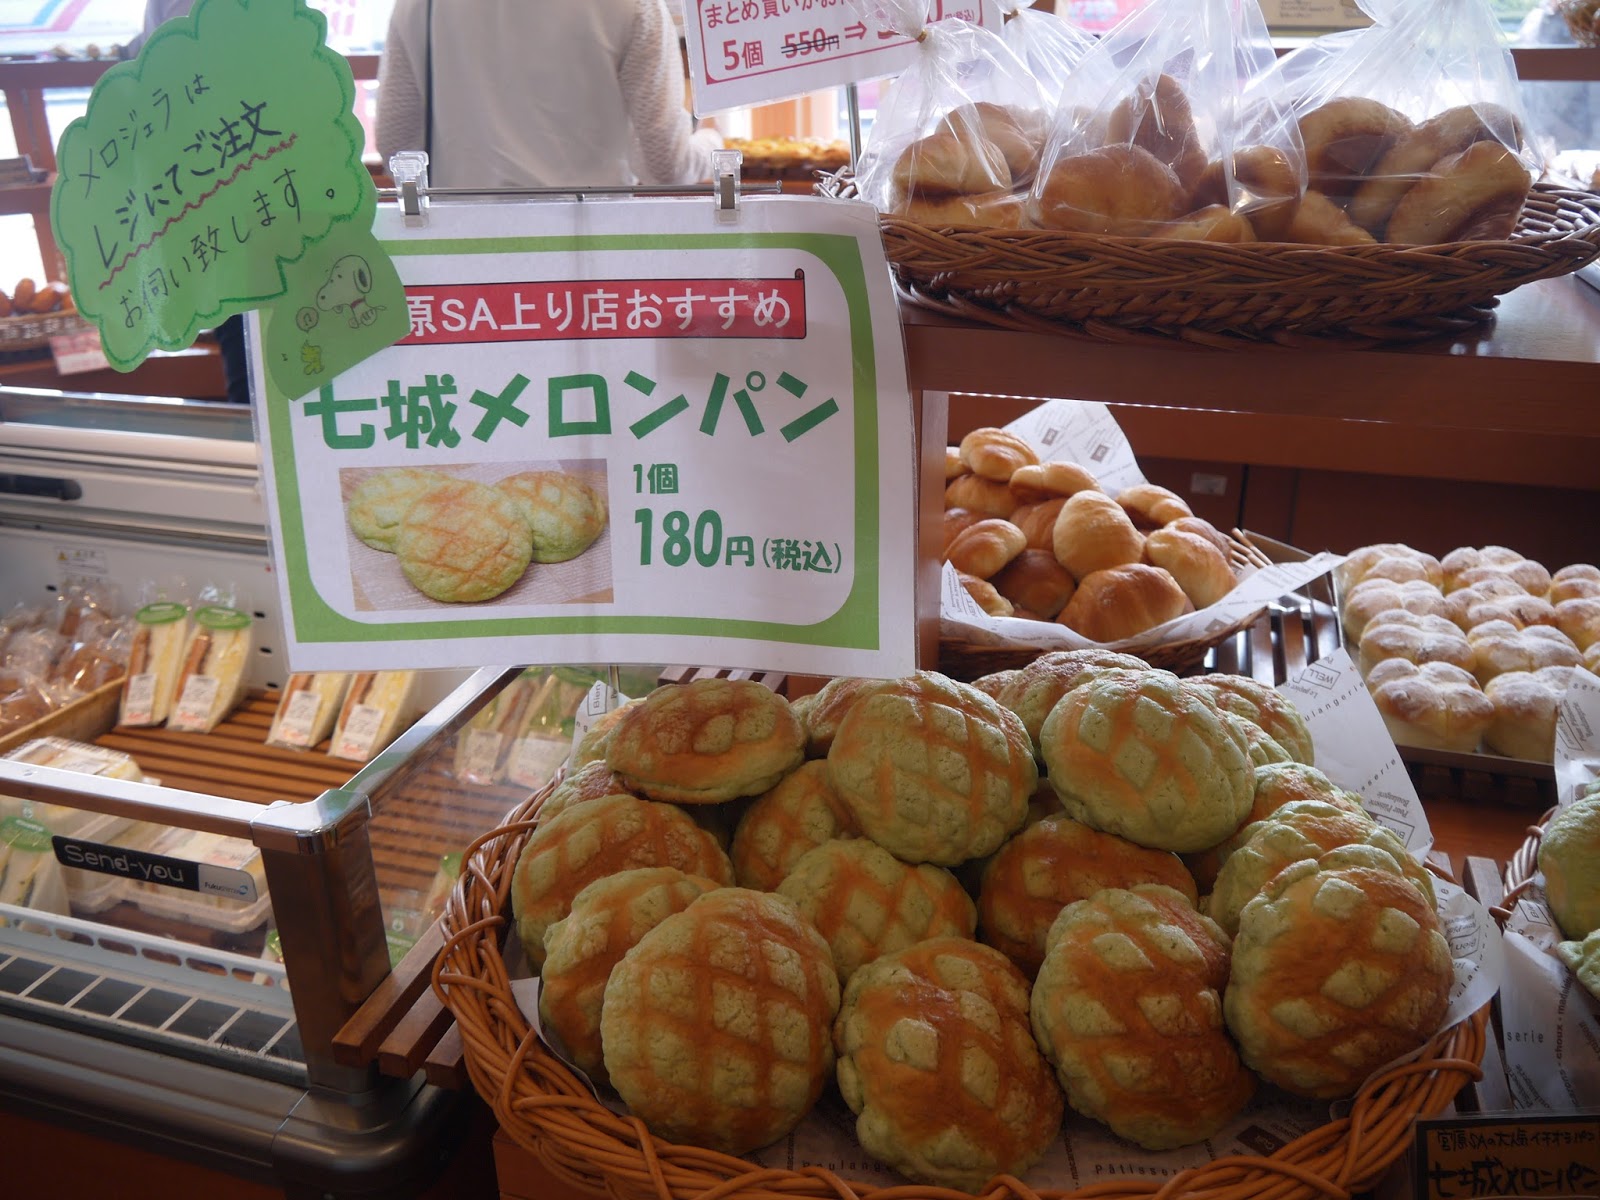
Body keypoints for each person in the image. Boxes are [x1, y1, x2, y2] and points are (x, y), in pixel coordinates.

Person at [374, 0, 721, 189]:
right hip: (590, 247)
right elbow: (666, 166)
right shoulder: (635, 8)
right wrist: (713, 145)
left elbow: (397, 147)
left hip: (465, 251)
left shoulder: (416, 7)